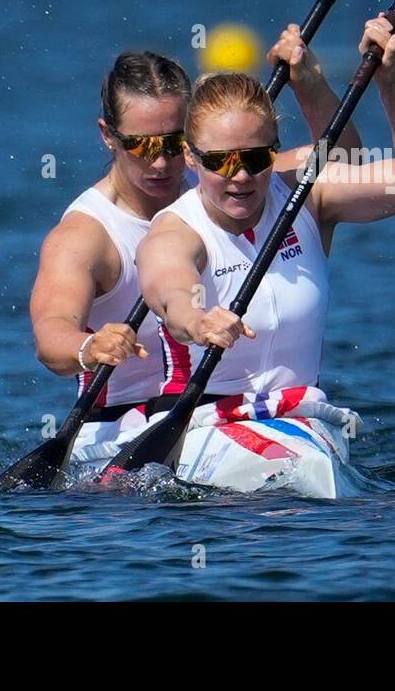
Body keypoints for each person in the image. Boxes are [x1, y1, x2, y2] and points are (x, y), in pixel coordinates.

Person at [28, 27, 360, 439]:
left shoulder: (226, 183)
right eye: (143, 146)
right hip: (121, 431)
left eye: (173, 143)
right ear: (107, 135)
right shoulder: (85, 236)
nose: (163, 163)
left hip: (217, 416)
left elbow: (346, 165)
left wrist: (309, 85)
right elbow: (51, 335)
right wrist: (87, 348)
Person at [135, 15, 395, 407]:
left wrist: (393, 85)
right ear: (190, 158)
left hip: (302, 417)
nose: (242, 175)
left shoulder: (303, 192)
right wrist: (197, 321)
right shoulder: (175, 233)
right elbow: (169, 291)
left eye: (255, 156)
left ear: (276, 149)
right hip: (200, 421)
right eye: (220, 161)